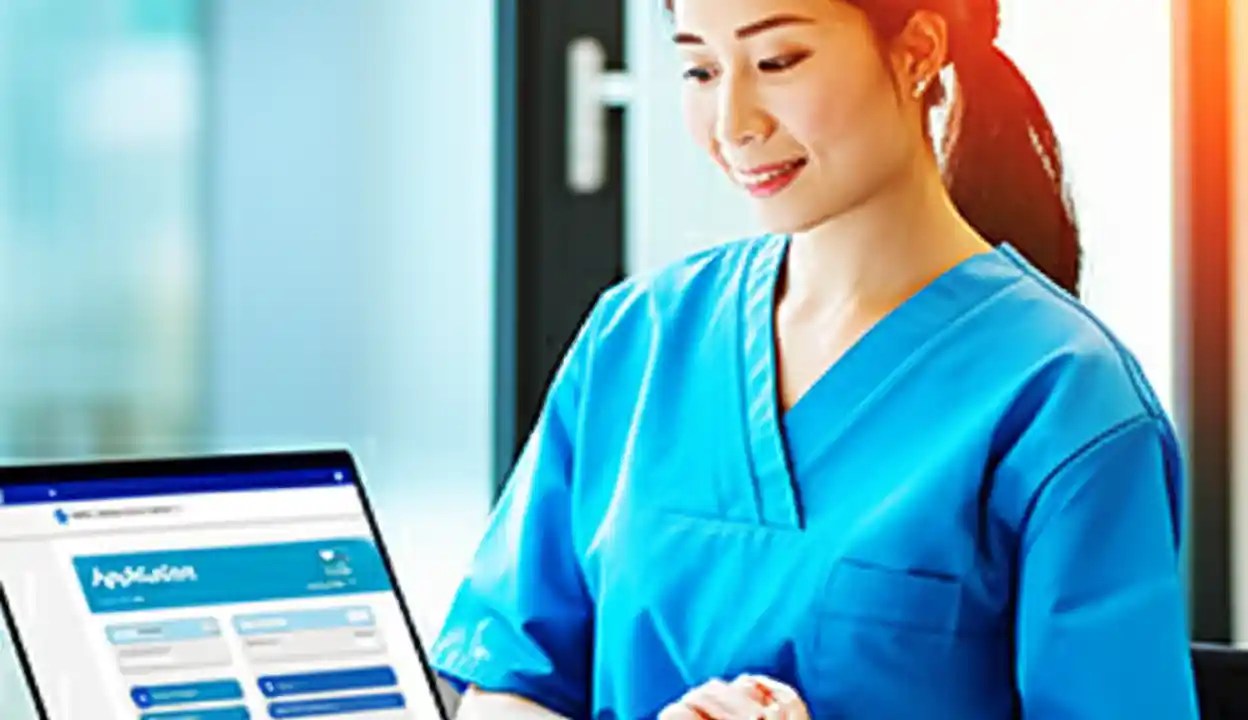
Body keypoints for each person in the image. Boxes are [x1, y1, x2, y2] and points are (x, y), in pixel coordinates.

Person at [428, 0, 1200, 717]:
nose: (733, 123)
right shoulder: (636, 340)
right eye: (700, 70)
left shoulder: (1067, 401)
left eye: (778, 62)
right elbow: (505, 686)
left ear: (917, 51)